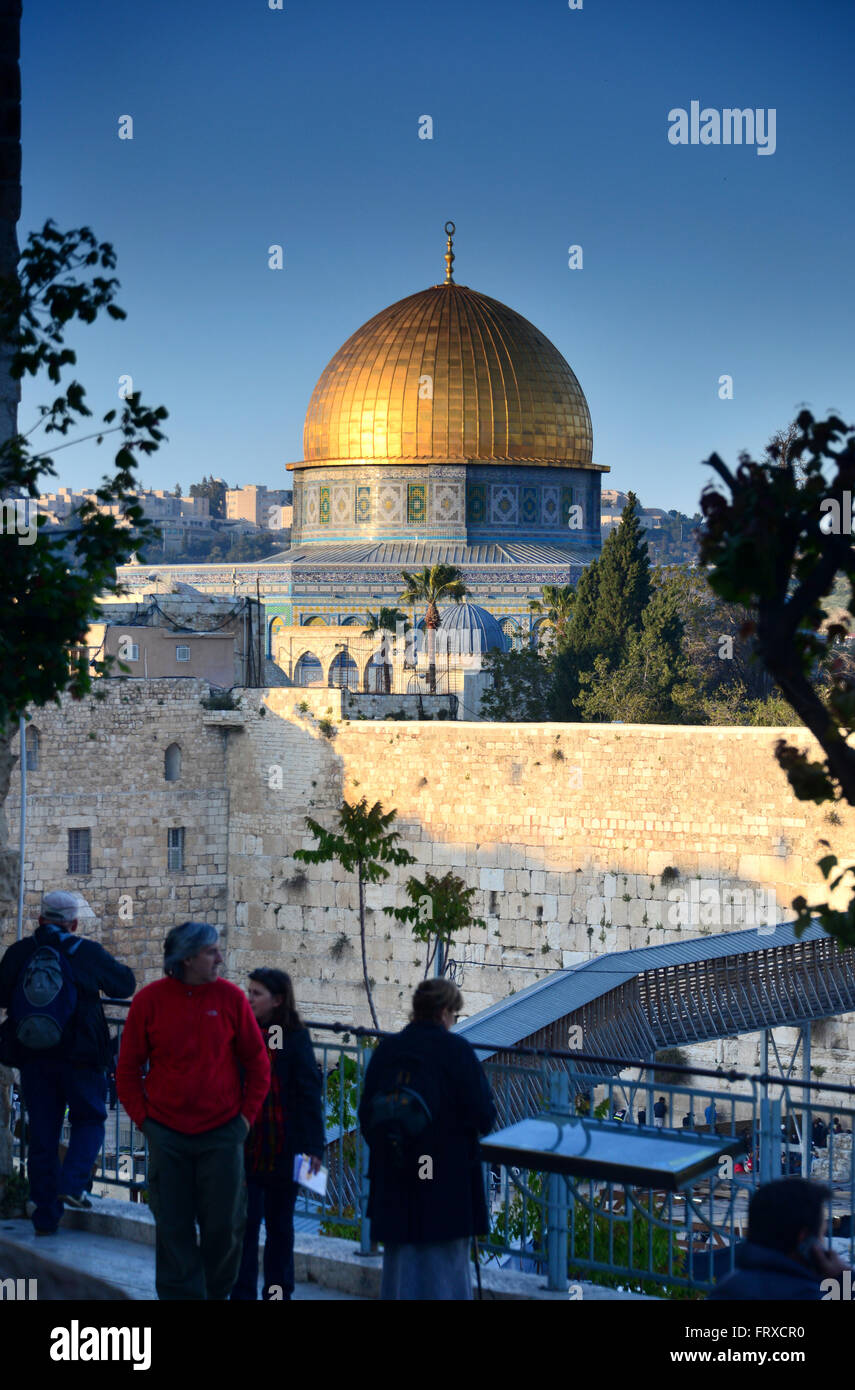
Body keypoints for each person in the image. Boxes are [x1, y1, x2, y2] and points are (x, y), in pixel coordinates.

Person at [116, 922, 270, 1300]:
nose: (220, 958)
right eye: (211, 952)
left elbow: (258, 1063)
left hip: (221, 1133)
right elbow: (127, 1068)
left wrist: (244, 1121)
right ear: (186, 958)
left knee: (226, 1227)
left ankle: (215, 1294)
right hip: (167, 1133)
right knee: (172, 1227)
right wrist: (145, 1120)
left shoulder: (231, 999)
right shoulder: (148, 1002)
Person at [0, 890, 135, 1235]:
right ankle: (73, 1184)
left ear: (40, 919)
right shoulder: (85, 952)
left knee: (42, 1134)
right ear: (73, 923)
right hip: (82, 1056)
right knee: (90, 1119)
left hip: (34, 1058)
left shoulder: (20, 952)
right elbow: (124, 983)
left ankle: (45, 1217)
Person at [358, 978, 496, 1300]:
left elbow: (367, 1116)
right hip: (446, 1188)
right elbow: (483, 1118)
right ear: (446, 1011)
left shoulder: (388, 1050)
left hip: (395, 1182)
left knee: (399, 1275)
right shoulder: (457, 1052)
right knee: (445, 1278)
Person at [231, 968, 325, 1301]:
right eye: (249, 991)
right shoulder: (242, 1033)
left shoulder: (295, 1038)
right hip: (248, 1148)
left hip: (287, 1150)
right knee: (245, 1227)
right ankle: (241, 1294)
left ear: (278, 999)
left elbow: (308, 1094)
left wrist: (315, 1147)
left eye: (256, 993)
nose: (249, 998)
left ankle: (276, 1293)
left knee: (280, 1229)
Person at [708, 1178, 849, 1300]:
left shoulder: (726, 1289)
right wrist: (845, 1279)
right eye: (821, 1235)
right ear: (805, 1239)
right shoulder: (804, 1294)